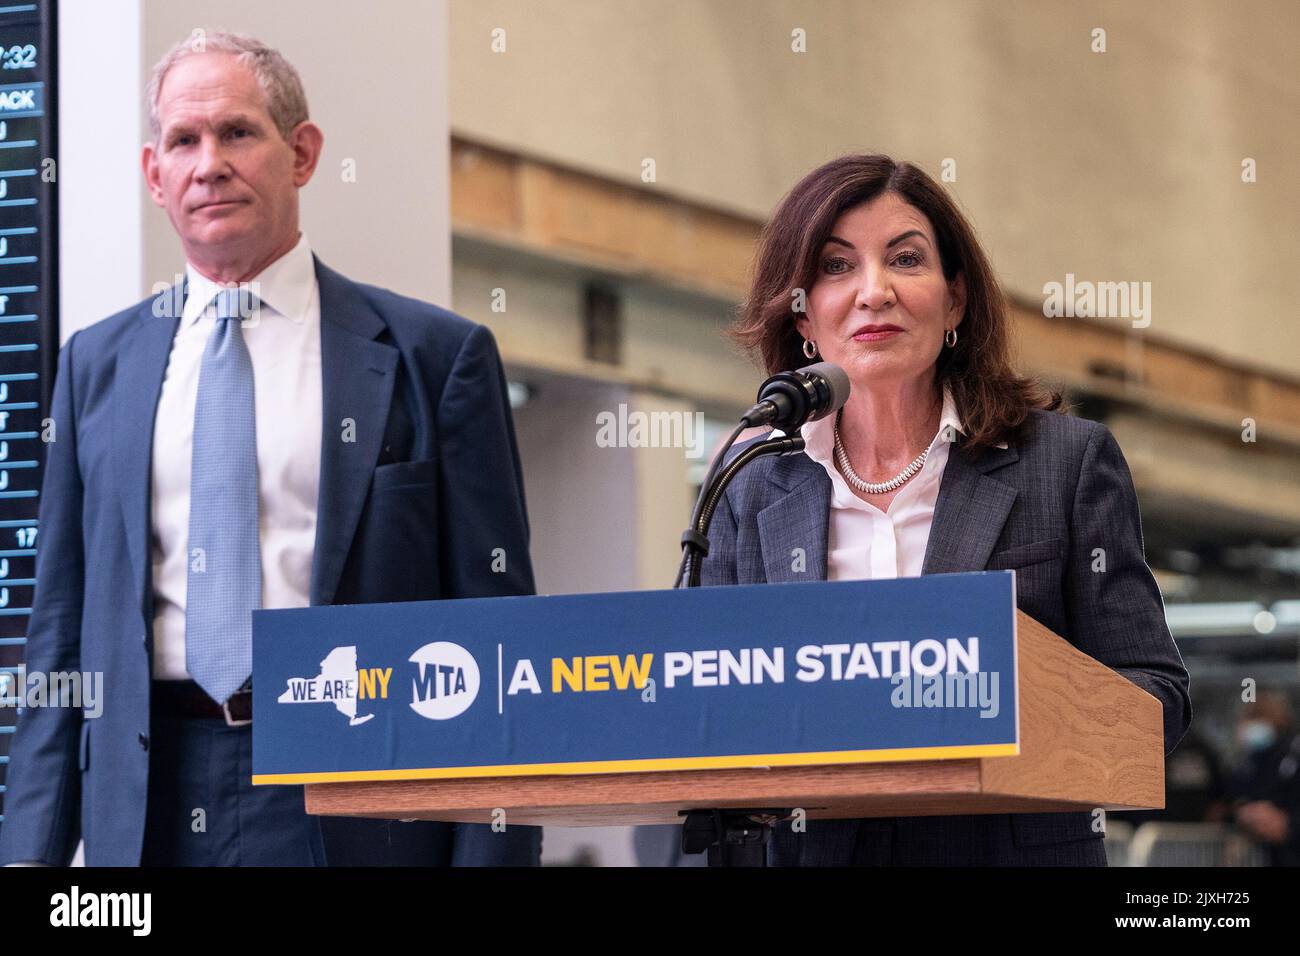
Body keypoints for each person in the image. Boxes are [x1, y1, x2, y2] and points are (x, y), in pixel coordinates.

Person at [0, 32, 539, 867]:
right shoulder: (95, 367)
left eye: (237, 133)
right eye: (184, 141)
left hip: (356, 792)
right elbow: (59, 638)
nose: (208, 164)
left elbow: (497, 640)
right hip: (146, 801)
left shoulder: (437, 360)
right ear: (155, 174)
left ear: (303, 152)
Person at [701, 154, 1192, 866]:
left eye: (905, 259)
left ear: (955, 300)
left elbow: (1154, 701)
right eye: (837, 267)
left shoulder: (1066, 462)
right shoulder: (750, 480)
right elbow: (702, 701)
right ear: (802, 313)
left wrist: (995, 703)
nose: (875, 292)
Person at [1227, 691, 1300, 866]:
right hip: (1274, 853)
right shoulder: (1252, 760)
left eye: (1253, 719)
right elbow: (1234, 794)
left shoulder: (1292, 752)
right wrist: (1246, 812)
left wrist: (1290, 825)